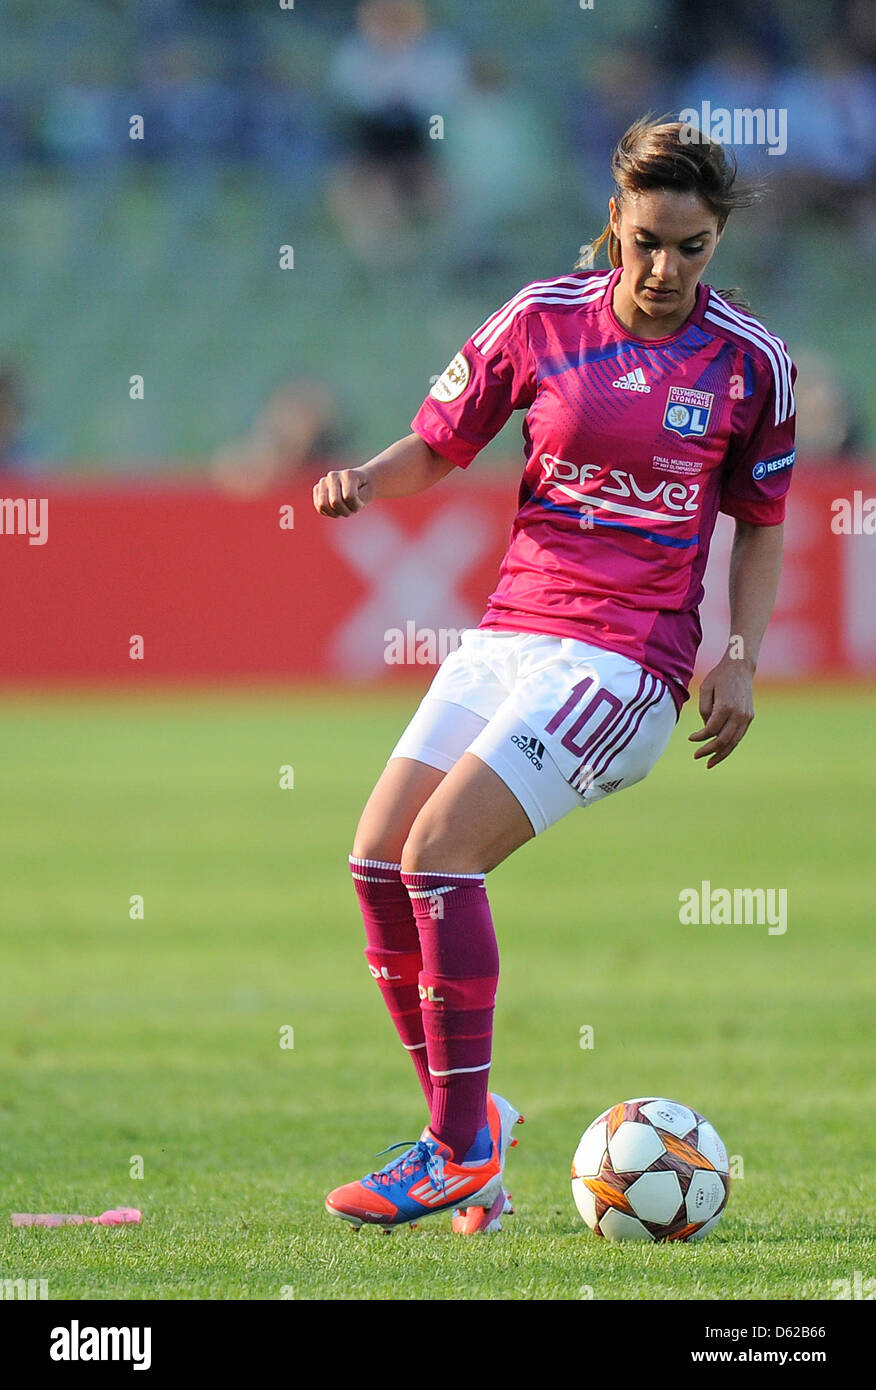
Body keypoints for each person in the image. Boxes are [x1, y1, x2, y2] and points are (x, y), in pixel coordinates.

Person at [312, 117, 797, 1234]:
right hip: (511, 633)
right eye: (647, 243)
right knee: (377, 861)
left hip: (626, 660)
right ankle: (470, 1129)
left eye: (693, 247)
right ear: (613, 228)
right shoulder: (540, 318)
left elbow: (761, 521)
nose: (666, 270)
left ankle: (450, 1152)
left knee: (440, 856)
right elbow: (441, 439)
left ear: (717, 241)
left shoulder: (749, 362)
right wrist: (367, 481)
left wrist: (739, 655)